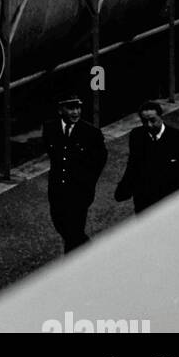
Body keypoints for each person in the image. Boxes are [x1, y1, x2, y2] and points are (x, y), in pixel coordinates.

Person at [43, 94, 108, 252]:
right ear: (60, 110)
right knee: (60, 223)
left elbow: (100, 160)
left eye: (78, 108)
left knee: (74, 230)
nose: (75, 112)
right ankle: (87, 250)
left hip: (79, 191)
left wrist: (88, 183)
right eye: (70, 108)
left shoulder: (92, 133)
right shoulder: (50, 127)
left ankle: (73, 263)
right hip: (57, 189)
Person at [114, 101, 179, 213]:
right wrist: (125, 188)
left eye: (153, 120)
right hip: (144, 199)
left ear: (161, 117)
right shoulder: (137, 136)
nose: (149, 125)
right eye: (144, 121)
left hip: (169, 201)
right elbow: (133, 164)